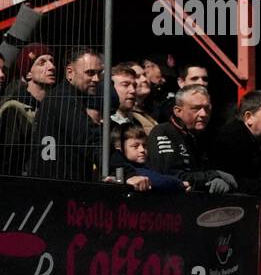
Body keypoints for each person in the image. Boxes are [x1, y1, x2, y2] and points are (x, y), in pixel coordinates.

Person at [30, 46, 104, 181]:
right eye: (90, 73)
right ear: (70, 73)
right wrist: (125, 171)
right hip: (60, 188)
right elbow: (90, 140)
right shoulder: (63, 99)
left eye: (100, 73)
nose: (97, 79)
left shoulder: (72, 97)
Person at [146, 86, 237, 193]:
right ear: (178, 111)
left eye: (207, 108)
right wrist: (213, 175)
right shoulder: (163, 132)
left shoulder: (207, 135)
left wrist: (219, 181)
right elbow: (170, 176)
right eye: (195, 108)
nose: (203, 114)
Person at [0, 42, 55, 176]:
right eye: (42, 63)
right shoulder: (15, 108)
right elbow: (10, 159)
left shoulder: (57, 107)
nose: (52, 67)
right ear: (28, 73)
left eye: (52, 61)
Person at [106, 124, 183, 193]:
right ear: (119, 148)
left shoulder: (147, 164)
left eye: (144, 145)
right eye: (135, 146)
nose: (142, 150)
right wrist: (180, 184)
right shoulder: (127, 168)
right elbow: (158, 180)